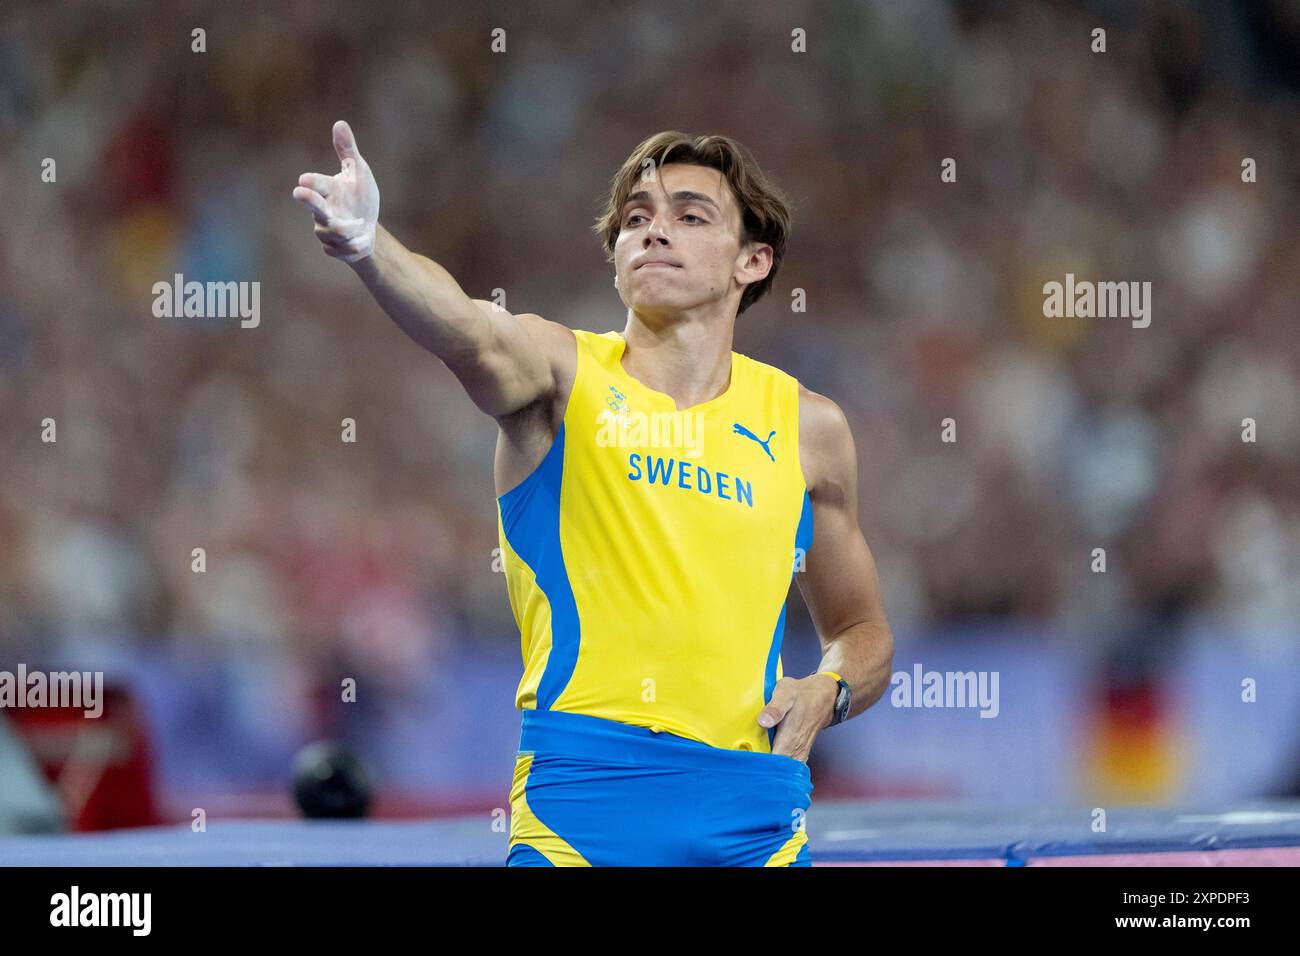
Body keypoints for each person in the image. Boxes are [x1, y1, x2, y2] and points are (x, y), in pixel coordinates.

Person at [293, 122, 894, 866]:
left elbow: (862, 631)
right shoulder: (561, 373)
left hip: (754, 818)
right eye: (635, 219)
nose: (653, 232)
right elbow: (467, 331)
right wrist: (369, 245)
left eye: (690, 215)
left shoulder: (809, 427)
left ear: (753, 260)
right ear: (615, 261)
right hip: (582, 807)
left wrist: (829, 690)